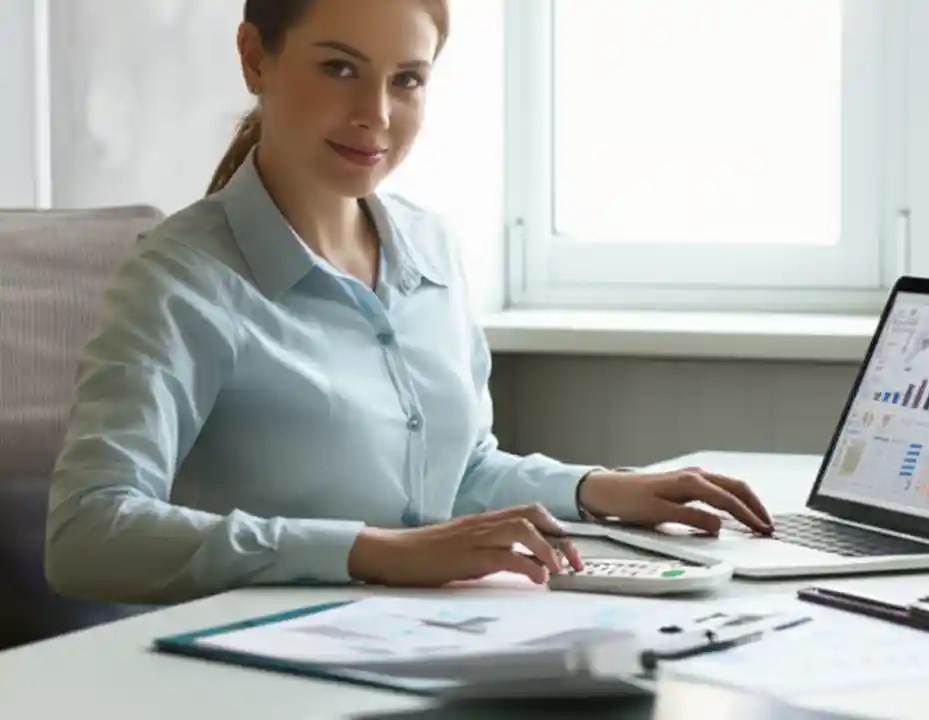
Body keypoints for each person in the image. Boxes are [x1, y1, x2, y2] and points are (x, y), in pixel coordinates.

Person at [43, 0, 773, 605]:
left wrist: (602, 490)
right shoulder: (181, 278)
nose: (376, 114)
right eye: (339, 68)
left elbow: (454, 472)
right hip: (258, 663)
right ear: (255, 58)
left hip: (423, 634)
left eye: (407, 80)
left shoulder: (431, 249)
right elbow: (88, 534)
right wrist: (374, 552)